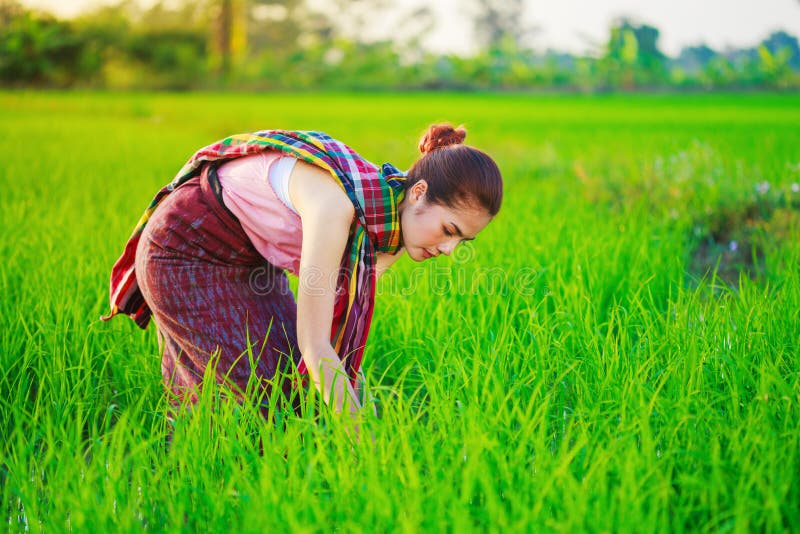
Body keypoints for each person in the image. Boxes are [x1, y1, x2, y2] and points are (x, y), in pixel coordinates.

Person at [102, 123, 502, 425]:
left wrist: (360, 409)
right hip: (186, 246)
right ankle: (183, 482)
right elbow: (316, 348)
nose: (448, 250)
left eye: (462, 241)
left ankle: (197, 470)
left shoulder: (392, 229)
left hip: (248, 255)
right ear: (417, 193)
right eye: (450, 230)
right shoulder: (338, 209)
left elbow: (341, 332)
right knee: (260, 402)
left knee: (286, 387)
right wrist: (366, 443)